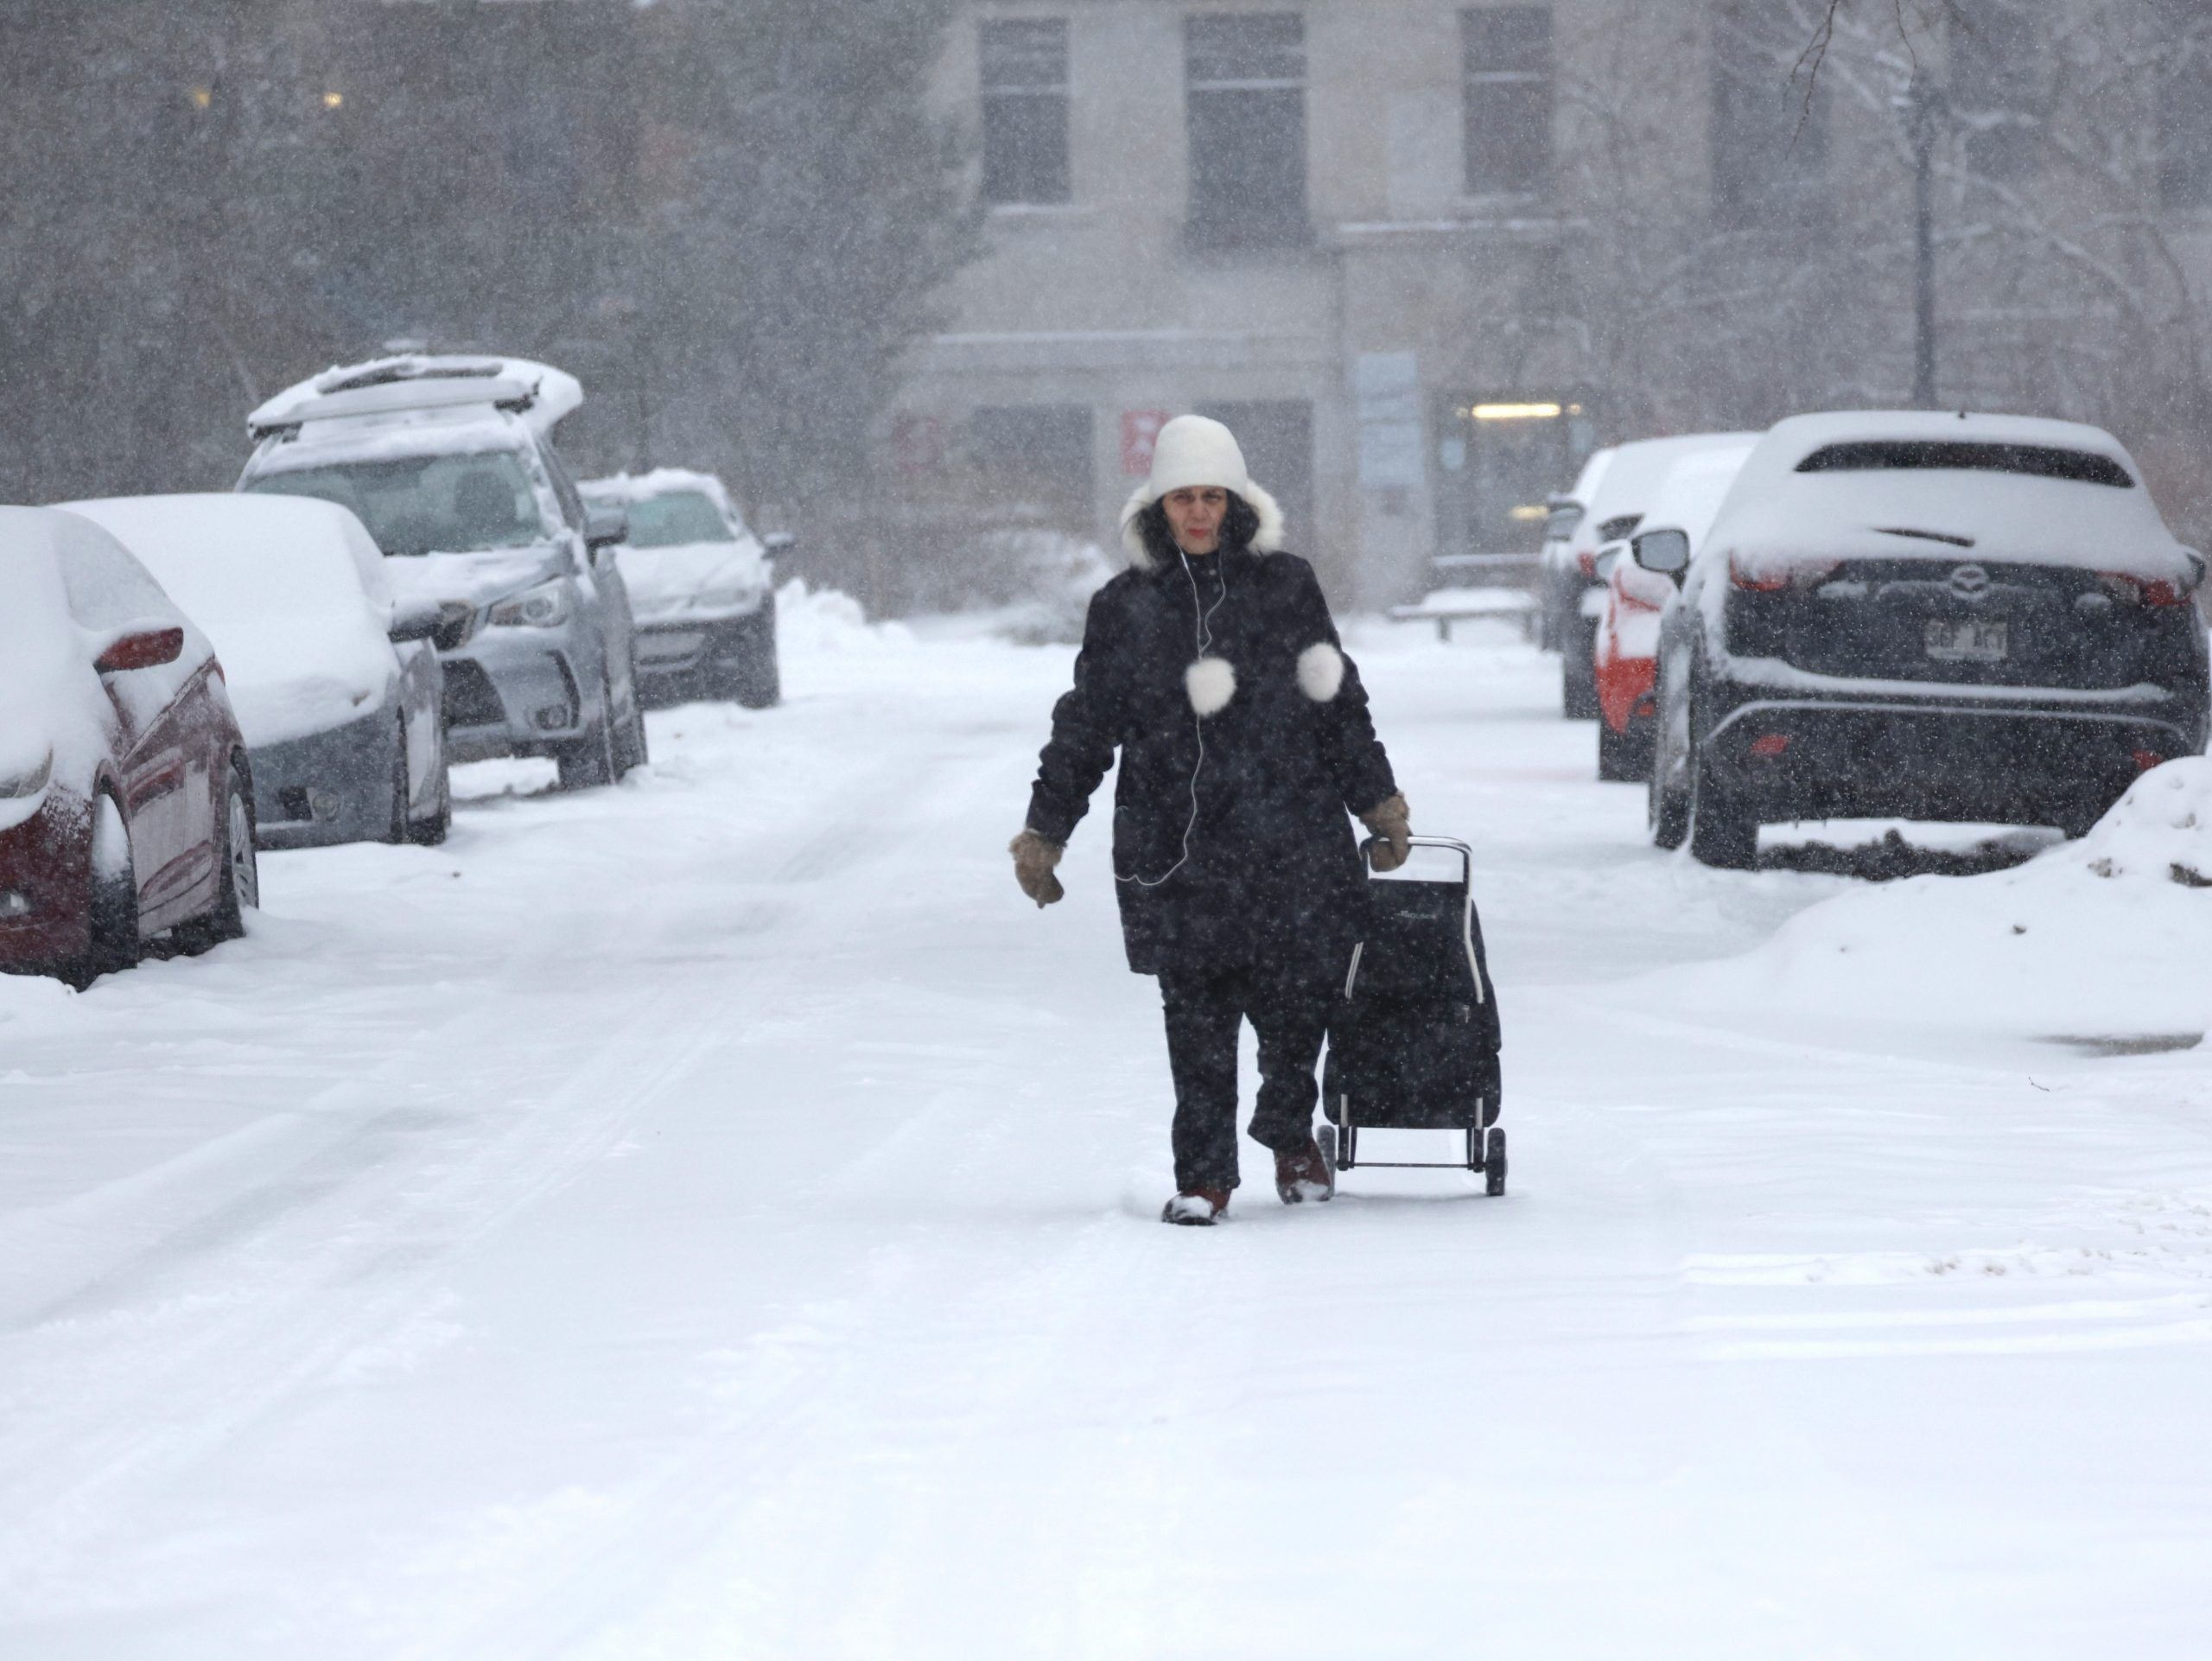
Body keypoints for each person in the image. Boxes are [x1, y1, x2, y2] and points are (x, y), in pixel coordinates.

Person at [1010, 415, 1410, 1226]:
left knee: (1301, 1002)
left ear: (1236, 503)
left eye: (1212, 497)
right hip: (1176, 846)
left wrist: (1376, 800)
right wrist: (1046, 831)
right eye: (1183, 498)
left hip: (1290, 836)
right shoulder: (1125, 609)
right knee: (1195, 1018)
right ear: (1159, 508)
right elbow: (1085, 724)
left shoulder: (1287, 586)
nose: (1198, 513)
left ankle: (1289, 1127)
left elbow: (1337, 703)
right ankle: (1204, 1176)